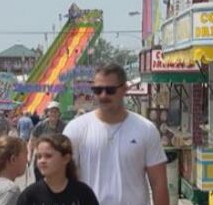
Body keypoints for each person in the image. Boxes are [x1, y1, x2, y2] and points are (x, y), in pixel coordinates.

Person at [63, 63, 168, 205]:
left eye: (110, 90)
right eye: (98, 90)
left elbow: (158, 184)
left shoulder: (146, 129)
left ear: (124, 89)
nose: (103, 95)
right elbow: (64, 180)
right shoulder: (76, 129)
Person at [16, 134, 98, 205]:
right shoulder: (30, 195)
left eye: (48, 156)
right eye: (39, 157)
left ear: (66, 158)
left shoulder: (83, 193)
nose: (42, 161)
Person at [28, 102, 66, 182]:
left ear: (59, 113)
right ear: (48, 113)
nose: (53, 114)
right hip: (42, 158)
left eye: (55, 112)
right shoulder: (41, 125)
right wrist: (29, 156)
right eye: (51, 111)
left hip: (56, 160)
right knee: (40, 182)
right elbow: (32, 140)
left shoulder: (64, 126)